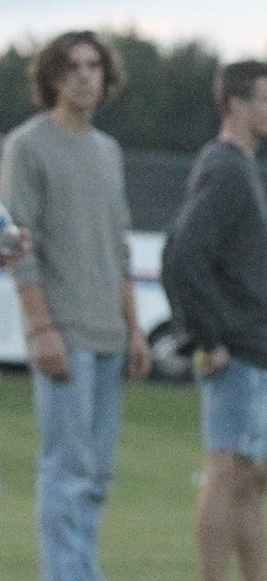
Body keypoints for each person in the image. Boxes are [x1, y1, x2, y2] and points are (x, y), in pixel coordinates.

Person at [1, 30, 153, 581]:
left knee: (97, 475)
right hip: (63, 332)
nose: (85, 76)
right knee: (66, 470)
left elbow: (118, 248)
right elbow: (16, 245)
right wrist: (40, 328)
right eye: (72, 67)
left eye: (94, 66)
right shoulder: (28, 146)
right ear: (52, 77)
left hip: (110, 334)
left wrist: (135, 330)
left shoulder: (108, 151)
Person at [159, 59, 267, 581]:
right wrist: (206, 337)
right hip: (233, 351)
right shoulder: (227, 168)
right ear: (235, 104)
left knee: (254, 476)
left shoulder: (241, 167)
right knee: (227, 472)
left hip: (256, 350)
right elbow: (181, 254)